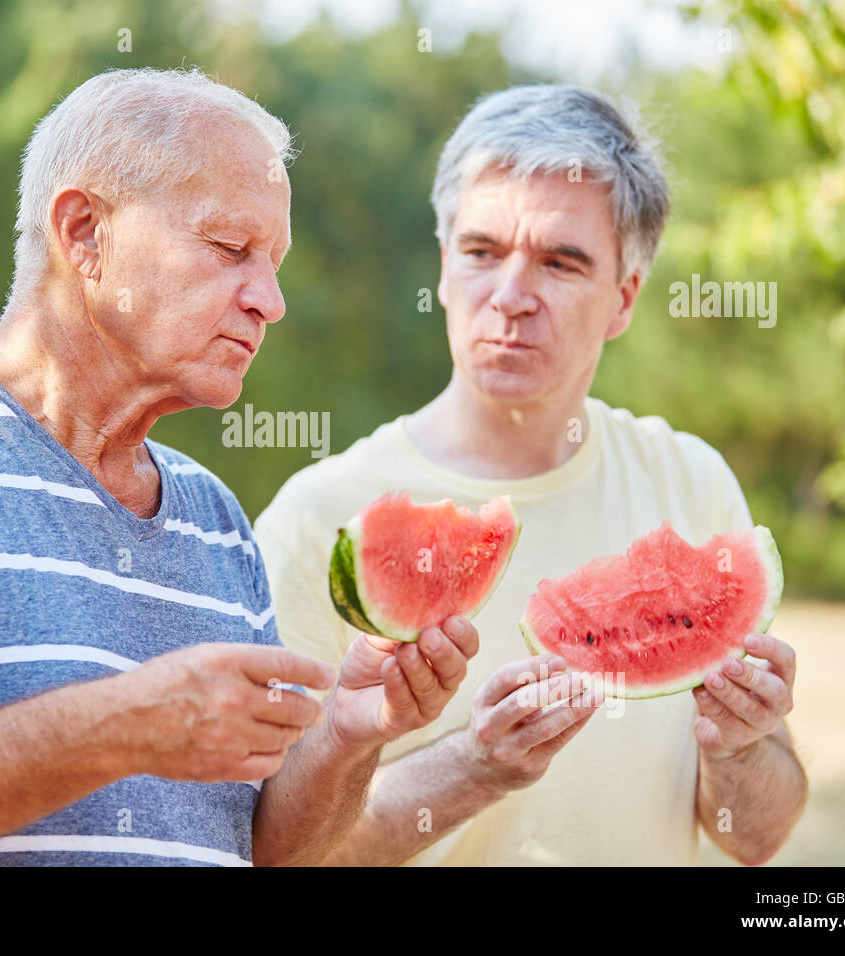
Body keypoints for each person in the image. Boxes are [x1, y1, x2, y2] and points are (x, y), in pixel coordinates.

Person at [0, 67, 480, 866]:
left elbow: (255, 850)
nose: (270, 301)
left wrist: (350, 734)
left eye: (274, 261)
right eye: (229, 248)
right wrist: (118, 727)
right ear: (83, 232)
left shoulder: (215, 520)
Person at [254, 85, 807, 866]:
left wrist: (741, 749)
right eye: (481, 252)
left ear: (624, 299)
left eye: (560, 261)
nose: (511, 296)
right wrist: (470, 771)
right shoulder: (318, 521)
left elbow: (757, 837)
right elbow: (272, 854)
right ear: (444, 270)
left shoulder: (692, 482)